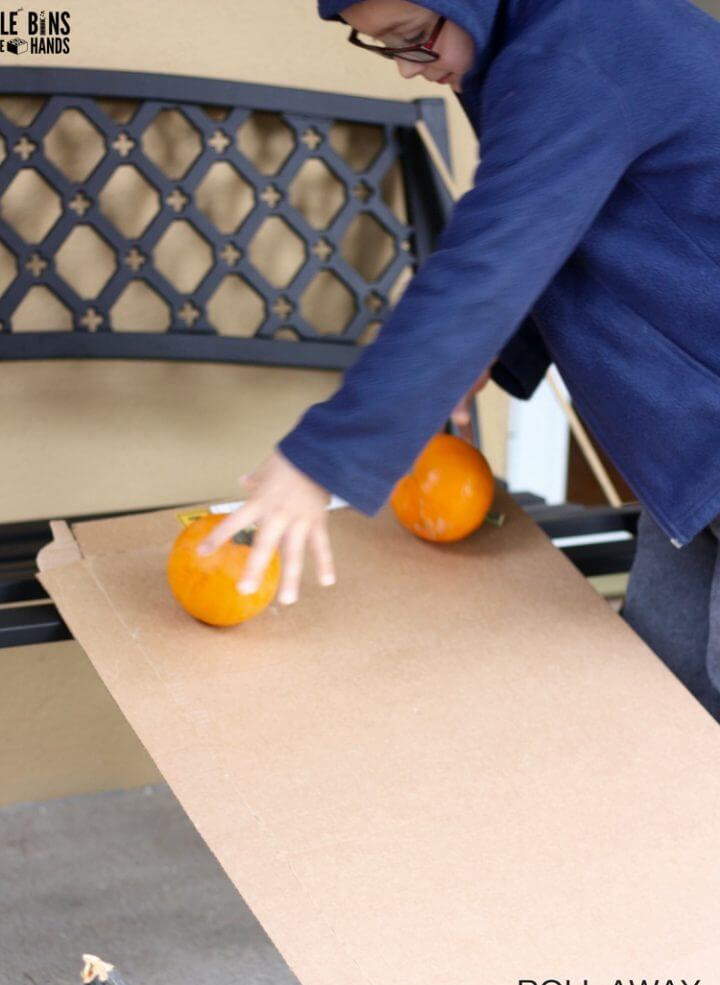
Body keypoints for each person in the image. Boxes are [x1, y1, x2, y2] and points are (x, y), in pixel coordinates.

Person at [200, 0, 720, 719]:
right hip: (693, 437)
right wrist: (497, 347)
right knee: (665, 689)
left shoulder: (579, 53)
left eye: (415, 39)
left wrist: (320, 460)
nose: (412, 68)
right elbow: (569, 229)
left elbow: (487, 264)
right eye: (386, 47)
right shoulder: (535, 37)